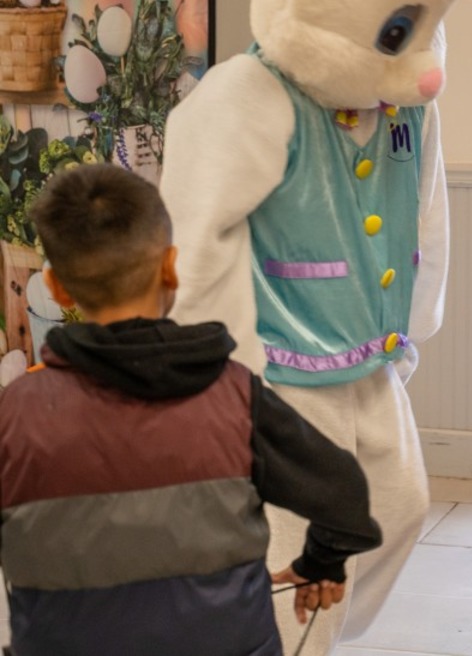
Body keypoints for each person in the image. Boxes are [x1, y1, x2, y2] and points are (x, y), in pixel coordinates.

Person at [0, 164, 382, 655]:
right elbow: (344, 498)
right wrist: (320, 564)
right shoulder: (235, 396)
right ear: (170, 267)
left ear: (56, 288)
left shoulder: (15, 413)